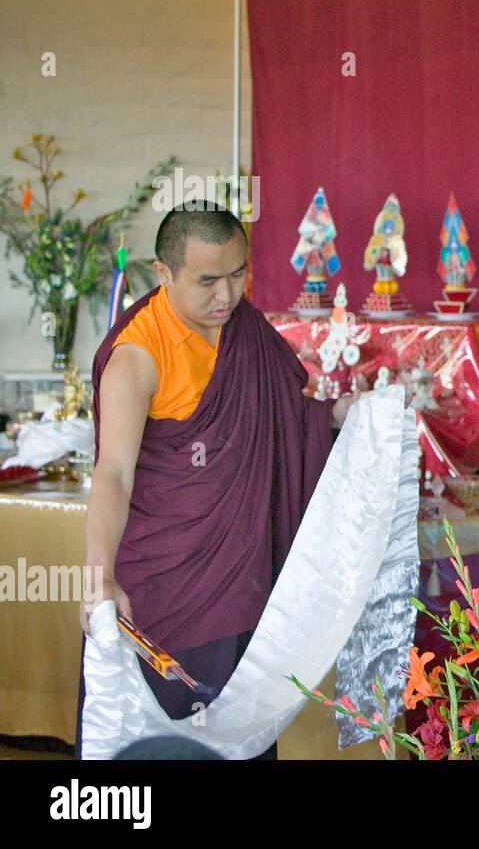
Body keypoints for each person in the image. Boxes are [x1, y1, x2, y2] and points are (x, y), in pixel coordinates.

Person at [80, 202, 356, 756]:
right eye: (207, 280)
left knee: (241, 733)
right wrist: (98, 575)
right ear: (163, 274)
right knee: (172, 738)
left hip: (241, 580)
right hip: (166, 586)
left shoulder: (242, 329)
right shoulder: (138, 356)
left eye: (238, 274)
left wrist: (333, 417)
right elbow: (112, 472)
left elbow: (281, 419)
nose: (226, 295)